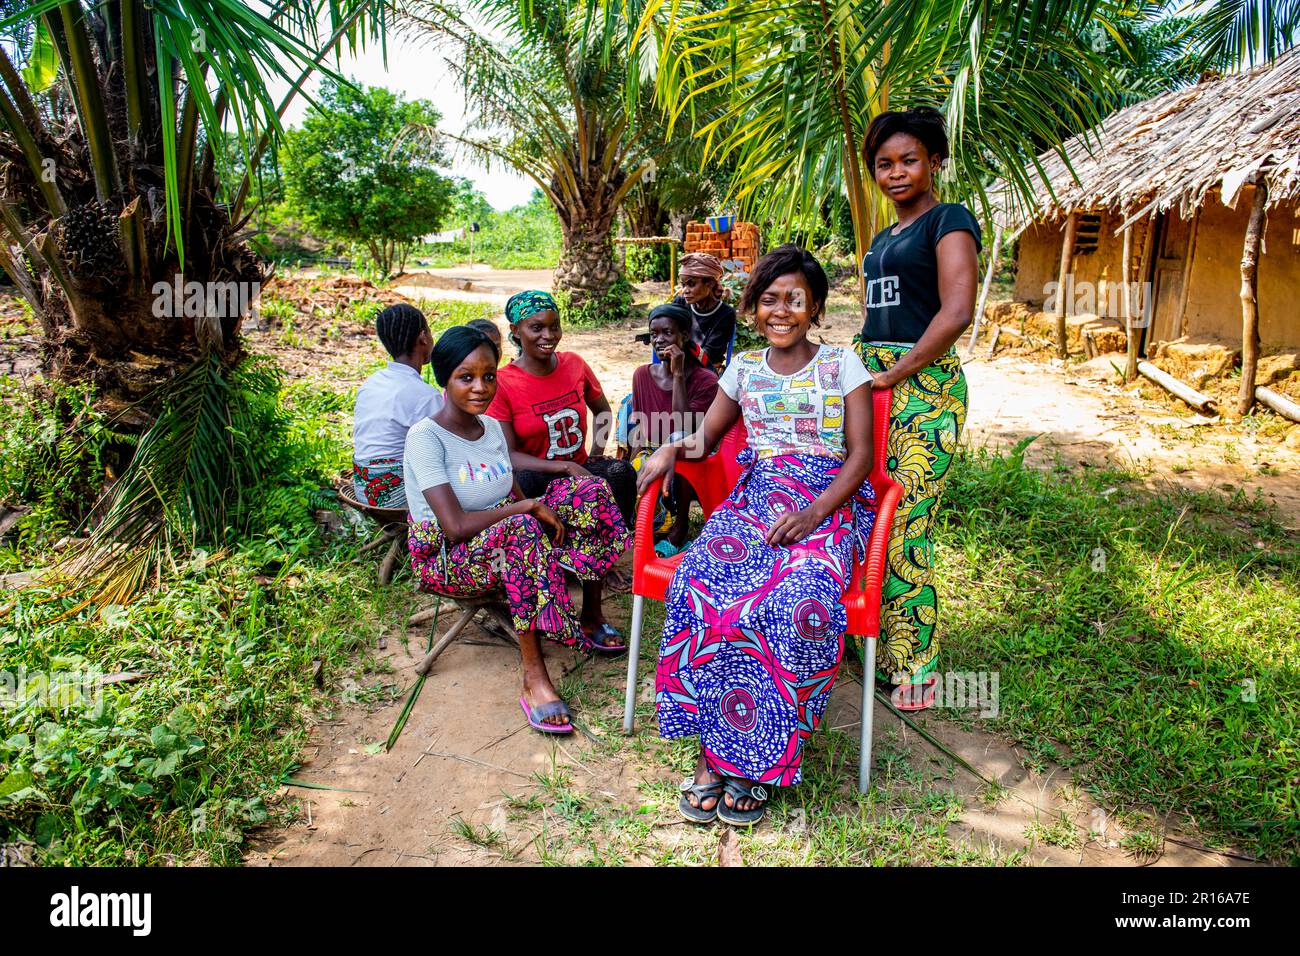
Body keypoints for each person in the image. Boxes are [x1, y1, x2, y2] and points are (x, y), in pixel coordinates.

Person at [637, 244, 875, 826]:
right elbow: (706, 437)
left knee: (797, 601)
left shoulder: (844, 365)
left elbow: (862, 456)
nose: (782, 310)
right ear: (753, 305)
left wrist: (816, 513)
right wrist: (671, 446)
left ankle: (752, 763)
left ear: (815, 305)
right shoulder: (743, 368)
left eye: (796, 298)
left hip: (827, 505)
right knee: (700, 583)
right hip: (758, 499)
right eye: (770, 298)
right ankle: (711, 754)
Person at [404, 326, 632, 734]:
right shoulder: (426, 437)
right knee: (523, 528)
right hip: (448, 557)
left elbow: (507, 486)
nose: (481, 387)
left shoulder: (489, 429)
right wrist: (527, 507)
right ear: (443, 379)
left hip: (500, 539)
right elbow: (454, 528)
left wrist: (533, 502)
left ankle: (591, 615)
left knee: (590, 490)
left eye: (489, 376)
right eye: (466, 376)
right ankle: (534, 676)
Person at [855, 107, 981, 711]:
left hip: (923, 388)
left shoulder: (948, 221)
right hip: (876, 383)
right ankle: (871, 640)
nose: (897, 172)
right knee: (863, 508)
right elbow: (875, 318)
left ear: (934, 162)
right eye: (884, 164)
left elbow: (955, 313)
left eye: (909, 160)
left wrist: (898, 373)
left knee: (904, 522)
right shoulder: (882, 239)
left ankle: (919, 668)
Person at [489, 289, 637, 626]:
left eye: (554, 327)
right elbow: (509, 456)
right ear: (515, 331)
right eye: (536, 328)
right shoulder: (504, 383)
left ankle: (604, 559)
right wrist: (566, 466)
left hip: (578, 468)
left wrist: (595, 456)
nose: (548, 336)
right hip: (538, 473)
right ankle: (555, 559)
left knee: (621, 473)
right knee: (522, 485)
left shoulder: (574, 365)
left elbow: (601, 411)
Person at [628, 302, 718, 557]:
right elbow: (640, 427)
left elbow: (687, 428)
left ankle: (680, 527)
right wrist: (631, 462)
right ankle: (653, 523)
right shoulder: (642, 375)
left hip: (689, 452)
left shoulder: (705, 380)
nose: (659, 340)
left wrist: (678, 375)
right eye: (654, 334)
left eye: (667, 333)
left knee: (676, 440)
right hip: (652, 449)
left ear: (684, 336)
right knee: (633, 465)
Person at [351, 303, 442, 508]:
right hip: (396, 494)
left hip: (363, 486)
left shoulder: (372, 382)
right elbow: (444, 450)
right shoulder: (425, 396)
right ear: (423, 337)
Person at [672, 252, 737, 371]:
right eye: (683, 285)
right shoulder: (680, 304)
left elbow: (710, 355)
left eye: (691, 284)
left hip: (706, 372)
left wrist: (679, 350)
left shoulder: (725, 314)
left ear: (710, 283)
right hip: (679, 365)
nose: (685, 291)